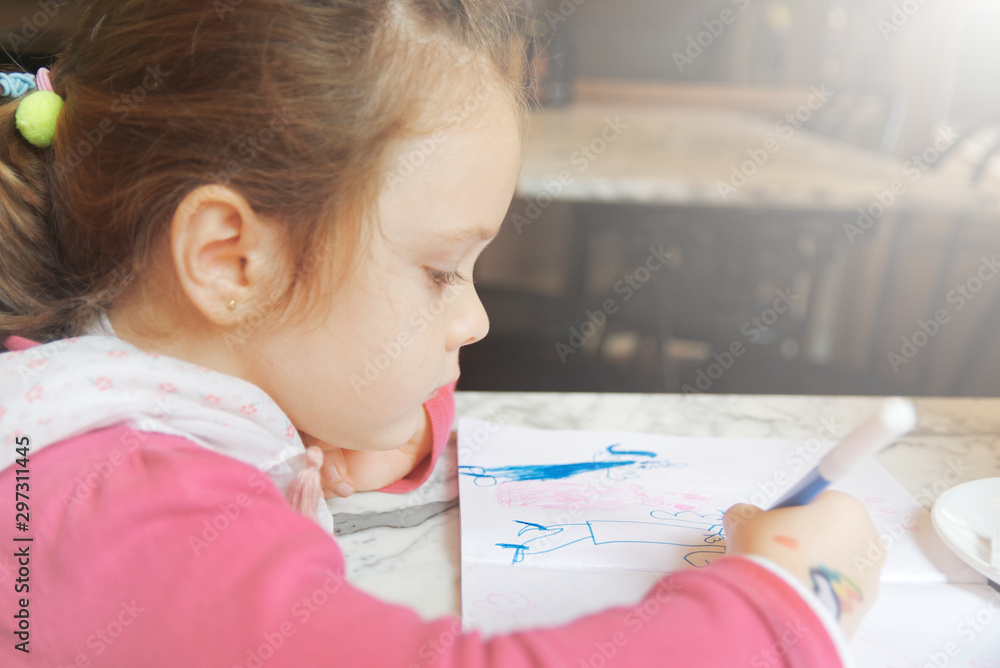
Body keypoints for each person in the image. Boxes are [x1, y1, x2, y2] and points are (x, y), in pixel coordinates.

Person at [0, 1, 884, 665]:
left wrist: (393, 437)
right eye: (437, 272)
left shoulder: (101, 389)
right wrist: (787, 601)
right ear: (232, 260)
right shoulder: (132, 522)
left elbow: (355, 379)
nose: (475, 318)